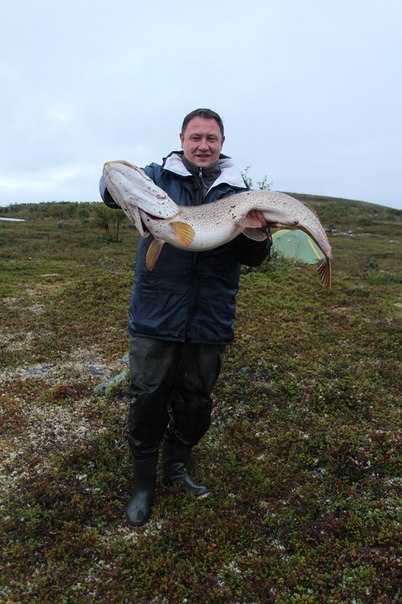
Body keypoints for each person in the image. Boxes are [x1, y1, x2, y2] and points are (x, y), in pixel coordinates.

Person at [100, 108, 270, 527]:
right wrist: (113, 182)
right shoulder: (156, 177)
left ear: (222, 143)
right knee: (148, 398)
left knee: (196, 401)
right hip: (156, 314)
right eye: (196, 137)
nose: (203, 145)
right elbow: (110, 189)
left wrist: (258, 232)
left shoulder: (240, 192)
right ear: (182, 140)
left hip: (210, 317)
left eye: (211, 138)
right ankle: (143, 484)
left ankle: (176, 467)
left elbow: (253, 258)